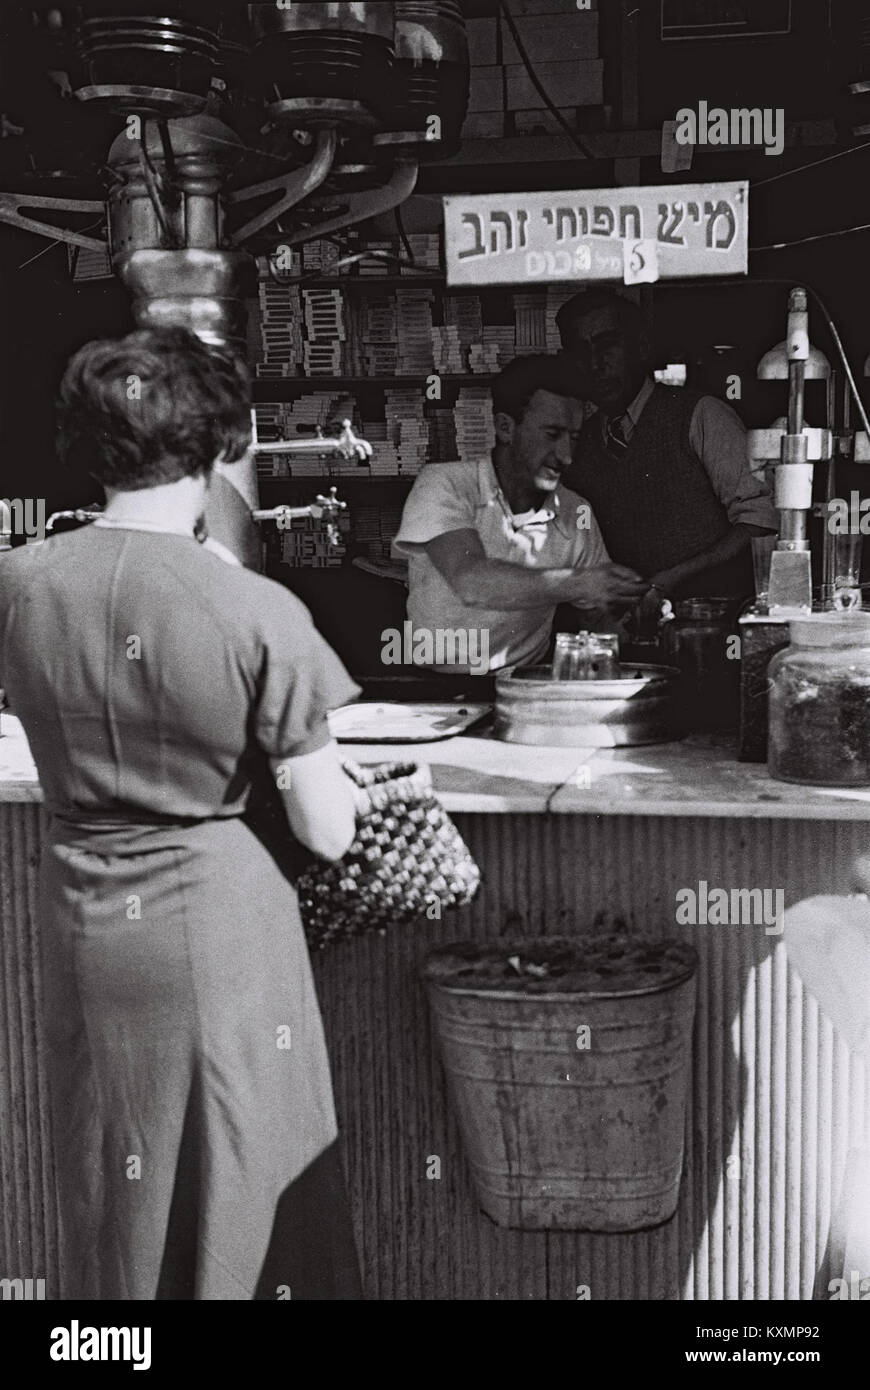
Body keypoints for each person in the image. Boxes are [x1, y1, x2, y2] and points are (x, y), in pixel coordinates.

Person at [0, 327, 364, 1300]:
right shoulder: (254, 610)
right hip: (218, 927)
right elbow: (328, 830)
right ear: (216, 448)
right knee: (240, 1174)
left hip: (83, 919)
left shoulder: (19, 582)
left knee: (112, 1177)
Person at [392, 354, 647, 673]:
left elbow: (597, 619)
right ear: (505, 428)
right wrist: (578, 583)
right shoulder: (444, 483)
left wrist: (630, 615)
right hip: (432, 687)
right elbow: (471, 581)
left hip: (525, 683)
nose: (567, 456)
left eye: (575, 438)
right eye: (552, 435)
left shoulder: (575, 511)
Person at [556, 288, 778, 611]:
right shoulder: (580, 442)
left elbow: (761, 522)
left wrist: (672, 579)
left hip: (711, 621)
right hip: (627, 628)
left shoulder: (702, 416)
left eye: (607, 345)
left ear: (642, 347)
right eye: (581, 351)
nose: (595, 364)